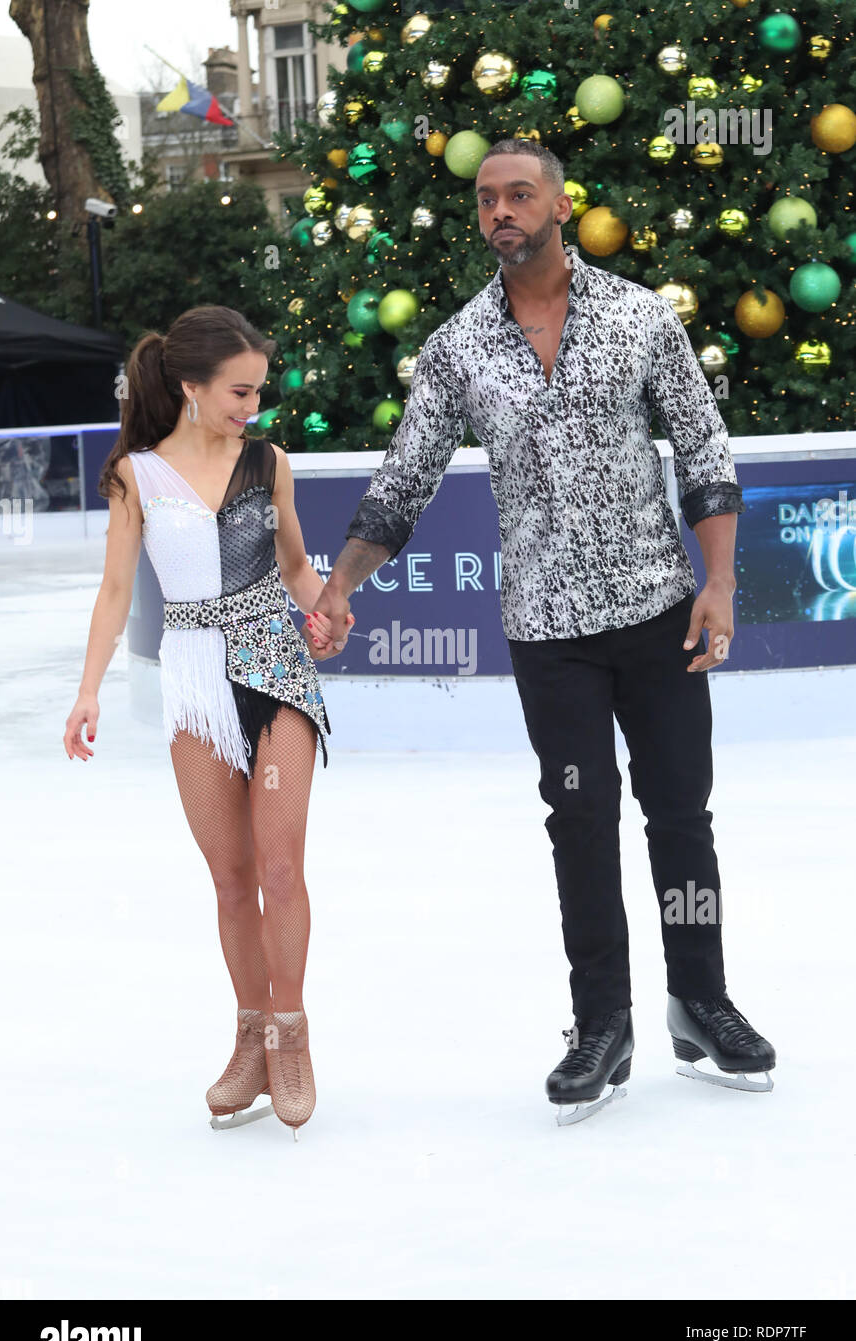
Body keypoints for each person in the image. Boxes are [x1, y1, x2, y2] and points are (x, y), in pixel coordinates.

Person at [309, 140, 775, 1124]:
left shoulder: (640, 317)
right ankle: (599, 1020)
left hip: (656, 615)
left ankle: (702, 998)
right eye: (485, 199)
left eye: (518, 194)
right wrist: (341, 583)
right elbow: (404, 481)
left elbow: (702, 449)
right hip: (546, 632)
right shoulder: (456, 347)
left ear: (560, 205)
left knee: (680, 816)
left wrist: (719, 581)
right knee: (577, 822)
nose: (499, 211)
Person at [62, 305, 352, 1138]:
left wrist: (325, 610)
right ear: (190, 386)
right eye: (237, 391)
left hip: (276, 671)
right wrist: (88, 691)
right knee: (231, 880)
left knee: (281, 865)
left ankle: (292, 1038)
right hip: (195, 681)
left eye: (258, 391)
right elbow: (116, 592)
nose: (251, 407)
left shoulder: (269, 463)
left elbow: (295, 564)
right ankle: (250, 1036)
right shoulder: (135, 475)